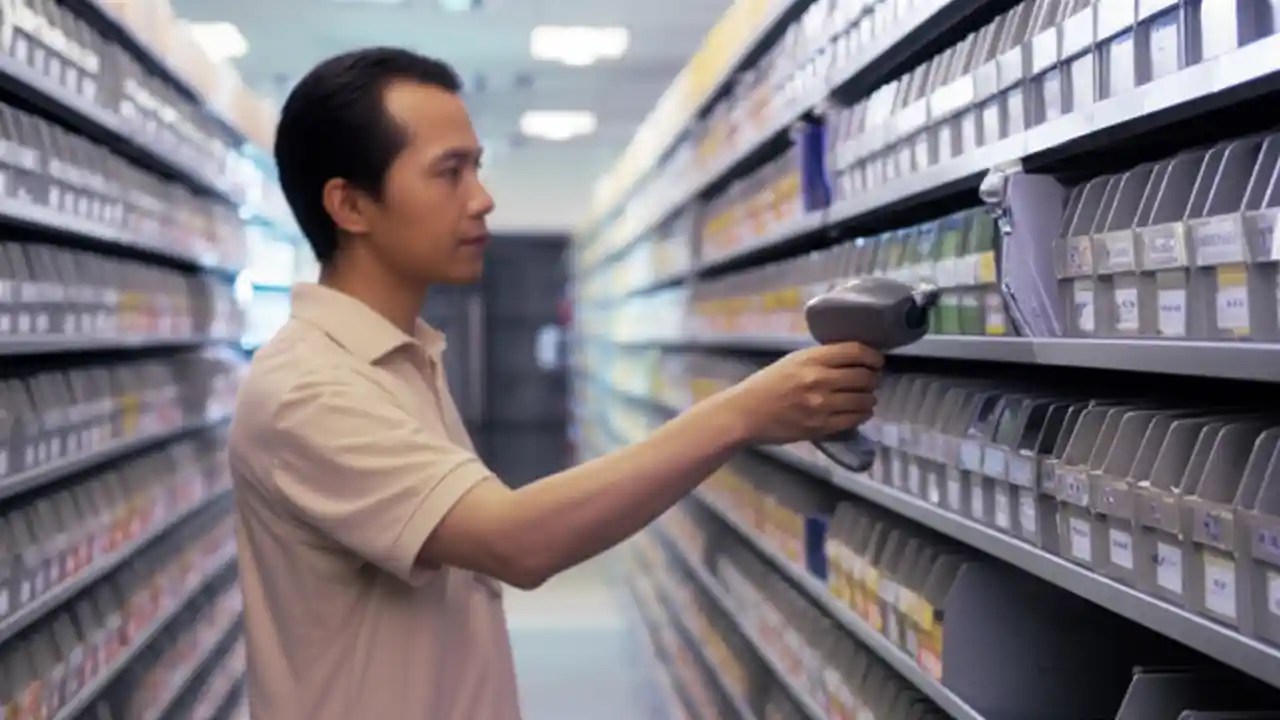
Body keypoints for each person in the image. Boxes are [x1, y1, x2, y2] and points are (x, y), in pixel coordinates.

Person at [228, 47, 883, 720]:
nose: (482, 199)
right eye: (449, 173)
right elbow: (516, 542)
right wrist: (741, 414)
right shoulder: (308, 390)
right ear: (351, 205)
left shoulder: (401, 356)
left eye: (476, 167)